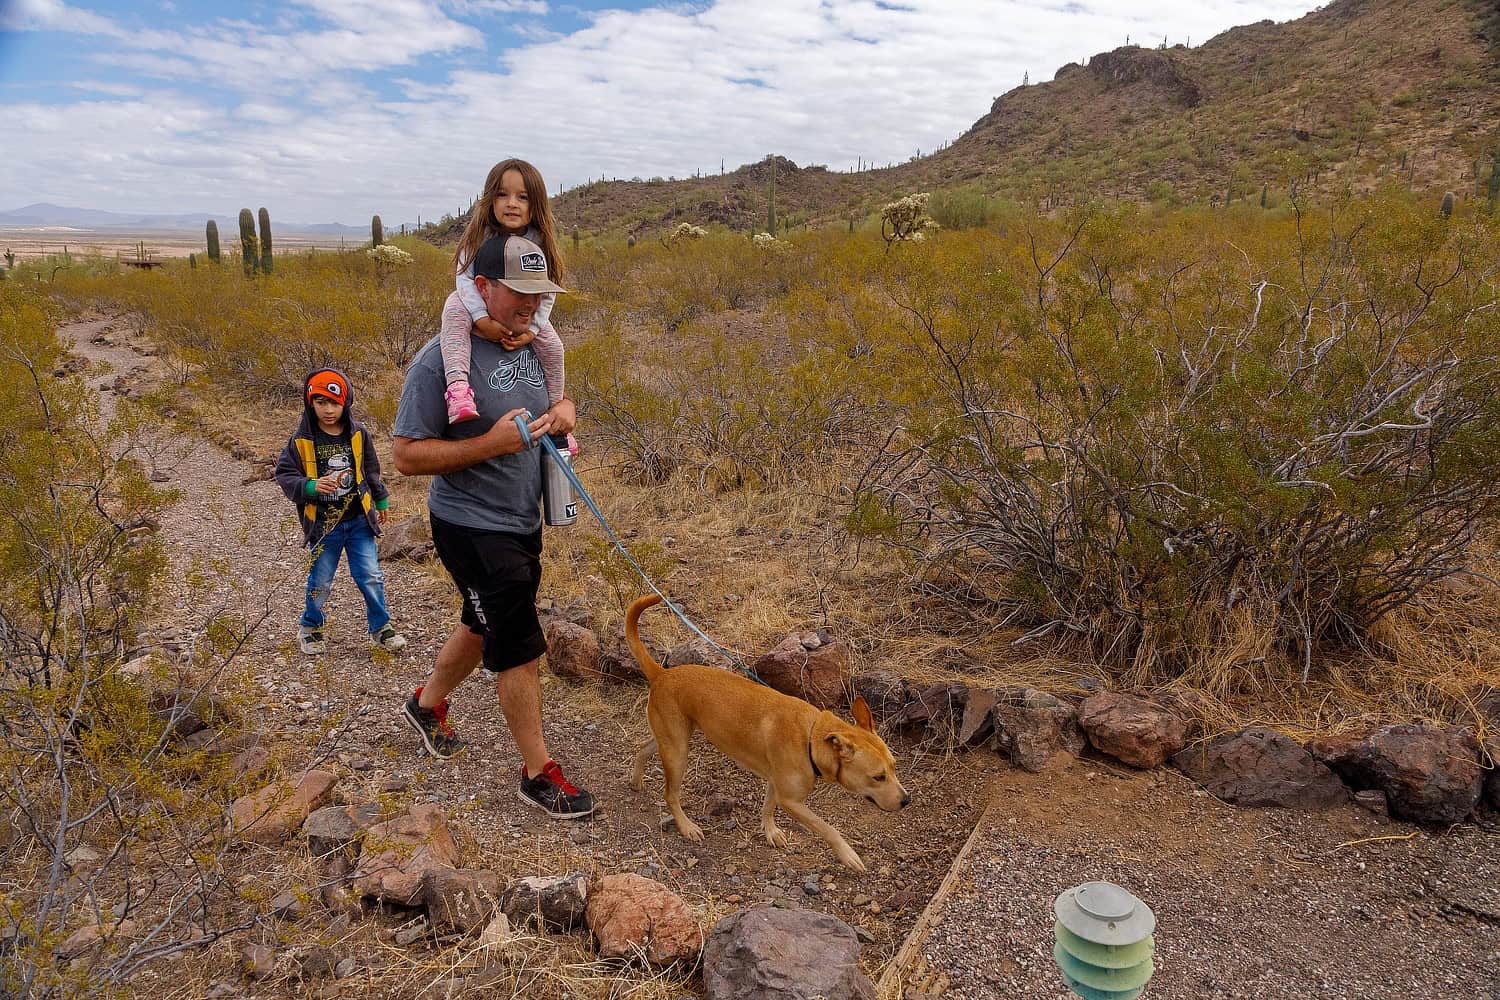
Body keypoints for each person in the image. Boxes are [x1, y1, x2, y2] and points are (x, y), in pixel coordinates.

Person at [392, 232, 596, 820]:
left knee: (480, 623)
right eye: (518, 293)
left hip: (518, 520)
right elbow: (406, 455)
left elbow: (551, 410)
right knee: (519, 642)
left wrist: (562, 414)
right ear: (481, 287)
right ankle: (538, 772)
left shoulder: (531, 346)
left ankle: (427, 705)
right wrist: (488, 445)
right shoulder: (440, 360)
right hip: (467, 522)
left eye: (539, 293)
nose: (530, 305)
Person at [275, 368, 408, 655]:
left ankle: (380, 628)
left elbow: (371, 470)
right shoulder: (301, 441)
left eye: (334, 403)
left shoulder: (358, 434)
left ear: (345, 403)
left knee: (371, 575)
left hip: (359, 520)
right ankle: (310, 627)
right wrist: (309, 486)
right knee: (320, 579)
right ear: (310, 403)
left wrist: (381, 500)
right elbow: (285, 473)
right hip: (324, 524)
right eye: (321, 402)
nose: (328, 409)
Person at [443, 158, 568, 427]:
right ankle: (458, 389)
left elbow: (547, 291)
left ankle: (556, 406)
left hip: (527, 316)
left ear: (535, 204)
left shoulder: (539, 240)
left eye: (523, 197)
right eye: (502, 194)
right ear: (490, 199)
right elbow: (464, 279)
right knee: (453, 311)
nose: (512, 203)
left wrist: (532, 330)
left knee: (554, 347)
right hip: (476, 303)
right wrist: (481, 319)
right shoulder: (479, 234)